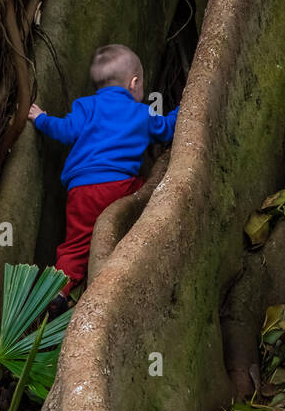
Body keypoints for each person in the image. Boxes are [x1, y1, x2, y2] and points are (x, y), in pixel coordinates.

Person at [28, 43, 178, 310]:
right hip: (121, 186)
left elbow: (64, 131)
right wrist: (183, 110)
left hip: (81, 189)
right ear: (134, 83)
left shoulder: (85, 106)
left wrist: (41, 119)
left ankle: (59, 291)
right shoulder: (142, 113)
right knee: (147, 192)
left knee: (74, 245)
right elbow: (166, 130)